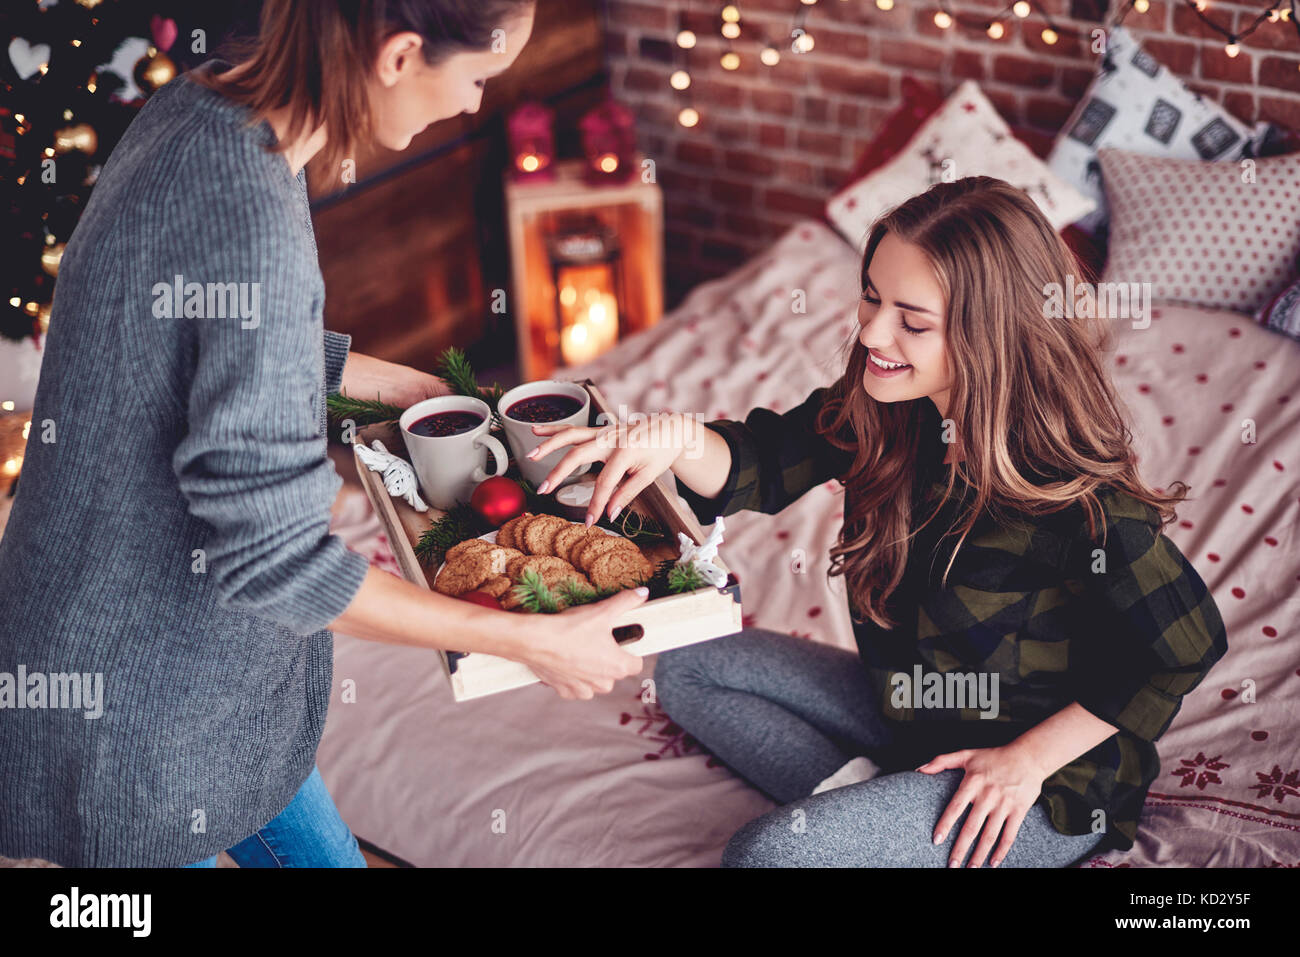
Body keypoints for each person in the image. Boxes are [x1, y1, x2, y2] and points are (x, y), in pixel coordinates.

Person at [0, 0, 647, 870]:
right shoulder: (253, 214)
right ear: (401, 53)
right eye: (479, 79)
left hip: (207, 676)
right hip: (142, 708)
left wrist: (384, 381)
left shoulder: (211, 110)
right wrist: (526, 638)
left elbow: (190, 329)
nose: (470, 107)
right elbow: (278, 559)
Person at [526, 176, 1229, 868]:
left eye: (911, 320)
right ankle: (881, 812)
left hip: (1041, 783)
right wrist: (675, 437)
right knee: (685, 667)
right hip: (915, 712)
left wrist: (1025, 761)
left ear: (992, 336)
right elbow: (765, 461)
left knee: (765, 855)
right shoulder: (888, 406)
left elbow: (1184, 645)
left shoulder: (1072, 493)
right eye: (870, 296)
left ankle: (890, 823)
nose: (871, 331)